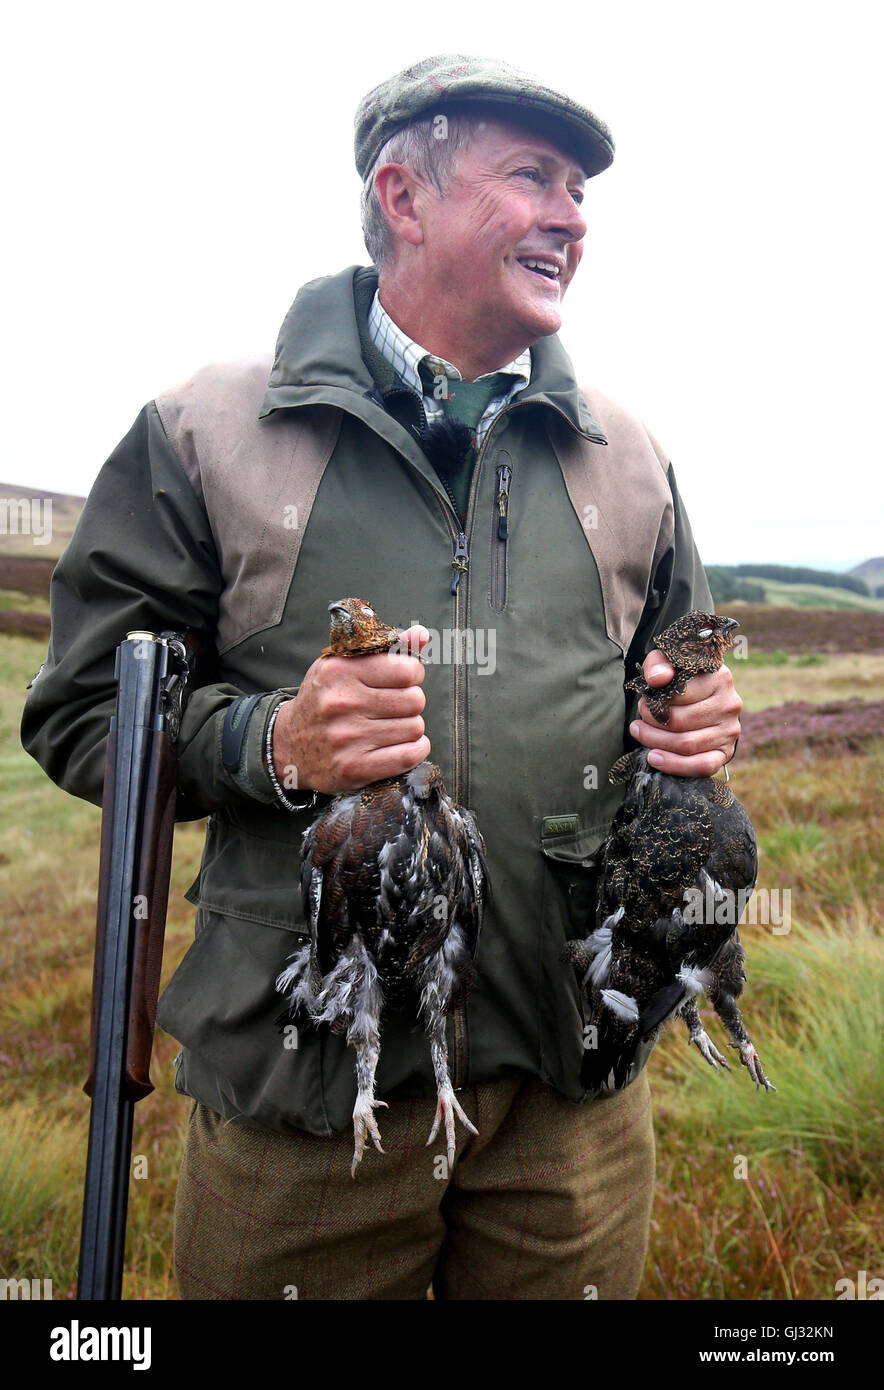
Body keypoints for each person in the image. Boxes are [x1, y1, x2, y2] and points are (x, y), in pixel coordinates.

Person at [21, 53, 742, 1301]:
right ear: (404, 196)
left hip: (567, 1096)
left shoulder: (627, 456)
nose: (573, 216)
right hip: (306, 1102)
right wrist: (273, 745)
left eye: (579, 190)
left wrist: (690, 719)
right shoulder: (208, 430)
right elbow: (88, 714)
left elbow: (669, 672)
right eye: (534, 178)